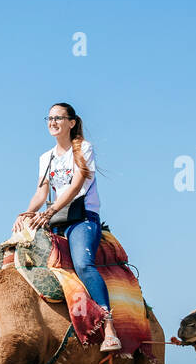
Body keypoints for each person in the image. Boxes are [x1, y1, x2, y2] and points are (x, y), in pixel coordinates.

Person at [13, 102, 121, 351]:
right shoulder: (46, 157)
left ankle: (108, 326)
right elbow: (41, 192)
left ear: (71, 122)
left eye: (58, 118)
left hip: (81, 219)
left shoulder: (83, 148)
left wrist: (49, 211)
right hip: (55, 219)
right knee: (18, 258)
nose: (53, 122)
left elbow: (75, 186)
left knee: (83, 265)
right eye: (49, 118)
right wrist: (27, 213)